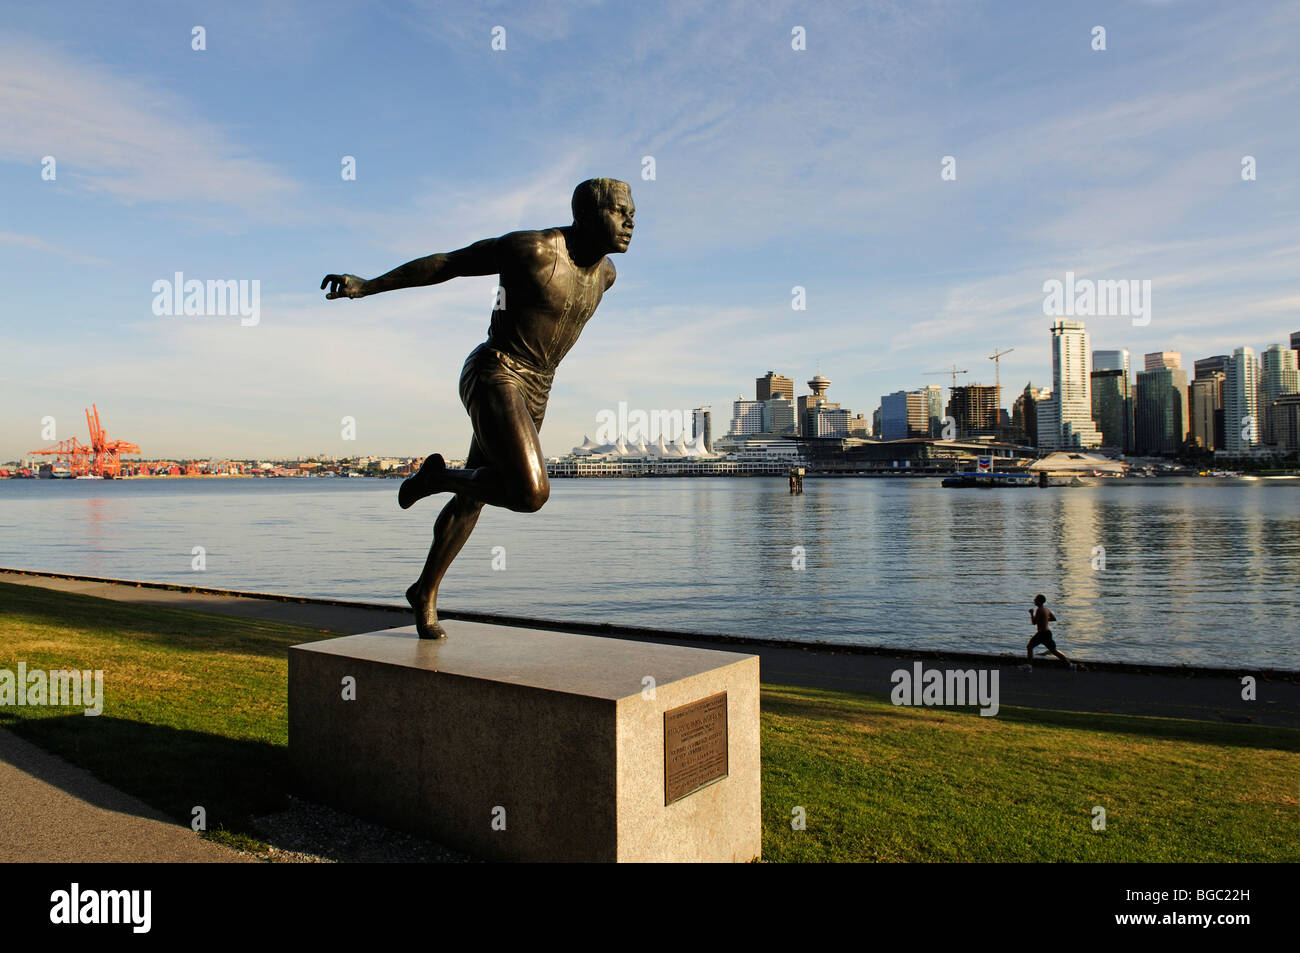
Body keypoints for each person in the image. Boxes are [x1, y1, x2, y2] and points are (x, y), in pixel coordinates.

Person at [321, 178, 635, 638]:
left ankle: (424, 592)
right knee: (530, 493)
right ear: (587, 216)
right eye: (620, 212)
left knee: (474, 496)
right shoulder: (534, 250)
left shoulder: (607, 276)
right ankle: (433, 479)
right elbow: (449, 264)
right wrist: (368, 286)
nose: (630, 222)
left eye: (634, 215)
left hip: (538, 388)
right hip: (496, 370)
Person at [1022, 593, 1078, 670]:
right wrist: (1044, 620)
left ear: (1039, 601)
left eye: (1036, 599)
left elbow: (1034, 622)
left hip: (1042, 633)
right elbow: (1054, 618)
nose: (1034, 600)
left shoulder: (1039, 610)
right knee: (1053, 651)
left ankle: (1029, 666)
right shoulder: (1046, 609)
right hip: (1047, 633)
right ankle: (1070, 665)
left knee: (1029, 647)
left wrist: (1031, 614)